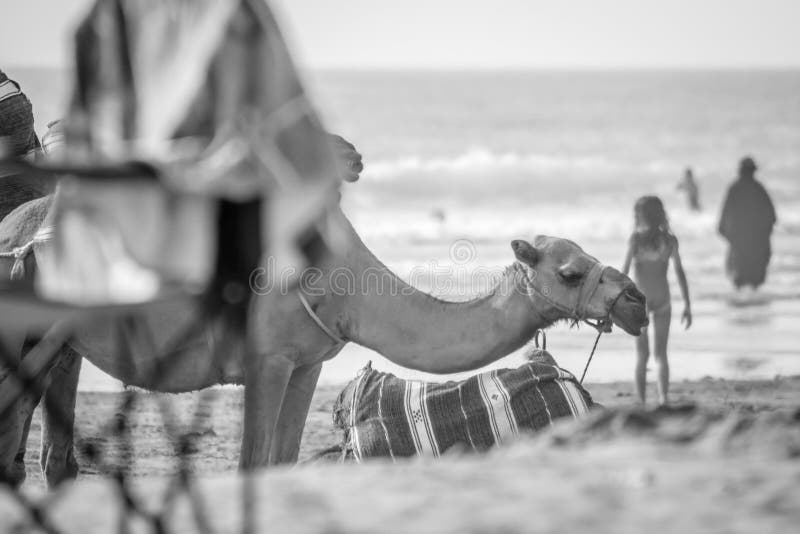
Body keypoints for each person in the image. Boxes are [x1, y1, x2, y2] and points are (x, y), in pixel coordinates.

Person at [622, 196, 692, 406]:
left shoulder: (635, 239)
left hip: (639, 302)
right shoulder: (669, 240)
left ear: (640, 216)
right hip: (663, 298)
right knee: (661, 354)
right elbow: (680, 272)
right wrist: (688, 304)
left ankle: (642, 402)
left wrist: (617, 304)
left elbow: (624, 273)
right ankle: (663, 399)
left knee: (642, 355)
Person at [718, 156, 776, 292]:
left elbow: (722, 222)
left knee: (740, 278)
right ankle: (751, 309)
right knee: (753, 279)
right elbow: (772, 217)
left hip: (740, 242)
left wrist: (731, 237)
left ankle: (745, 309)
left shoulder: (735, 189)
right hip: (755, 243)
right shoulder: (758, 189)